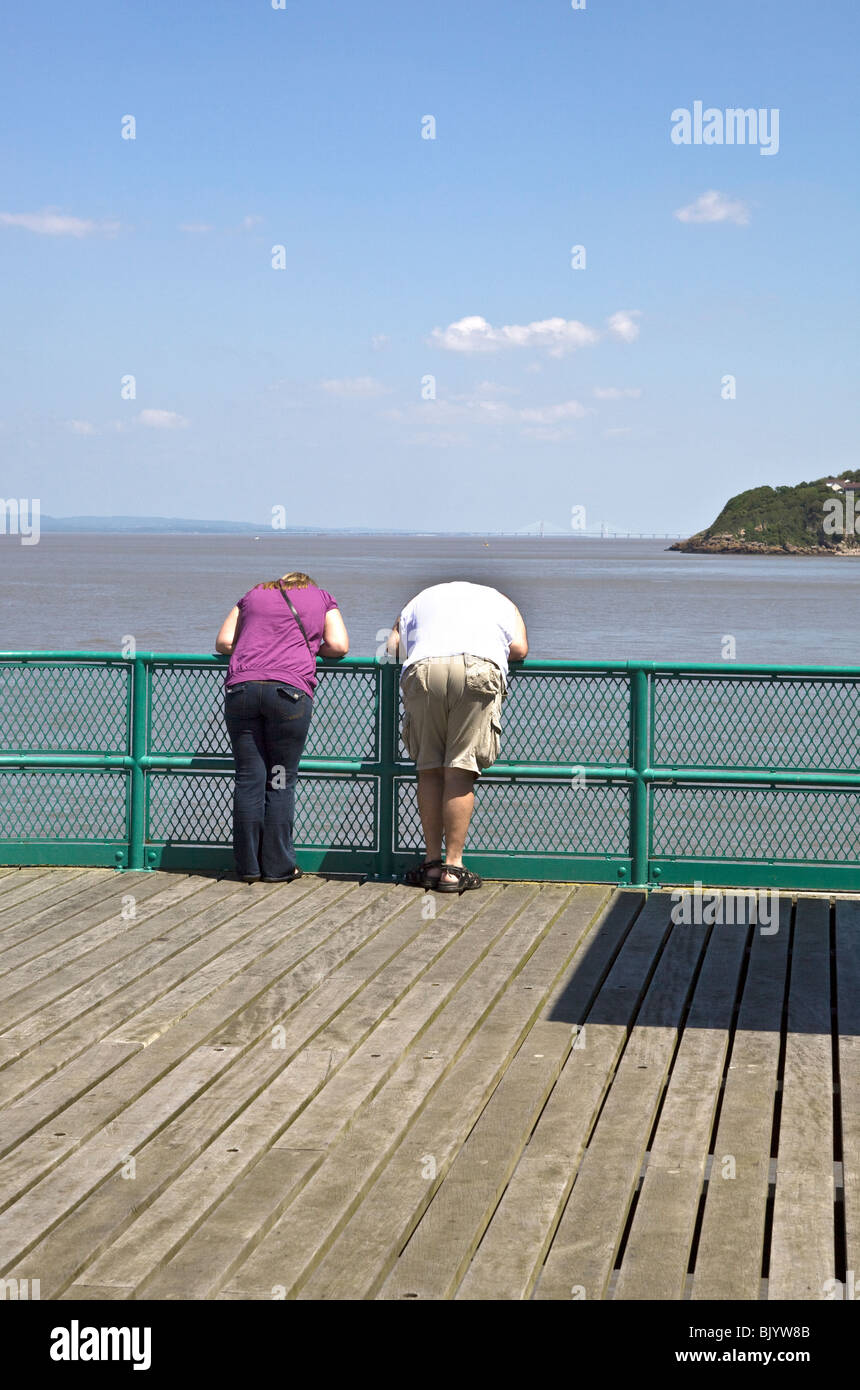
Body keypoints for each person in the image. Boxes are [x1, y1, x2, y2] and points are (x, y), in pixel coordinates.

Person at [388, 580, 528, 893]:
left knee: (429, 770)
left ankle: (431, 863)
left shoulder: (419, 599)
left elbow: (393, 647)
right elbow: (518, 649)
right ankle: (453, 868)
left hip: (424, 669)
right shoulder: (502, 601)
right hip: (477, 668)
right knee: (459, 772)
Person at [215, 571, 349, 883]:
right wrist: (308, 649)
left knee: (249, 778)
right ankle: (277, 867)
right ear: (307, 584)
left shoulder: (253, 594)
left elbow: (223, 642)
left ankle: (248, 867)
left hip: (242, 690)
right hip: (288, 693)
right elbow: (340, 646)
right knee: (279, 779)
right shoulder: (322, 597)